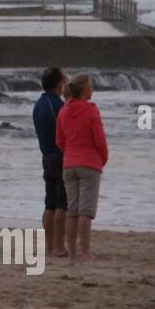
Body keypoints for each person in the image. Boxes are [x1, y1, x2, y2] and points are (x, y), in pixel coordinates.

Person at [56, 73, 108, 261]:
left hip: (69, 164)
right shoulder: (91, 110)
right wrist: (102, 158)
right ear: (84, 90)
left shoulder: (63, 111)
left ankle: (72, 252)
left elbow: (59, 140)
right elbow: (100, 140)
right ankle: (85, 253)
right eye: (90, 86)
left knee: (73, 210)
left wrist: (70, 154)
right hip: (89, 163)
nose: (92, 89)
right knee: (86, 211)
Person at [31, 68, 68, 258]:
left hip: (46, 156)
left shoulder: (38, 105)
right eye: (64, 79)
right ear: (58, 83)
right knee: (61, 204)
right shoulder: (58, 106)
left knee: (49, 203)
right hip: (59, 156)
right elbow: (67, 132)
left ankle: (49, 246)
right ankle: (59, 247)